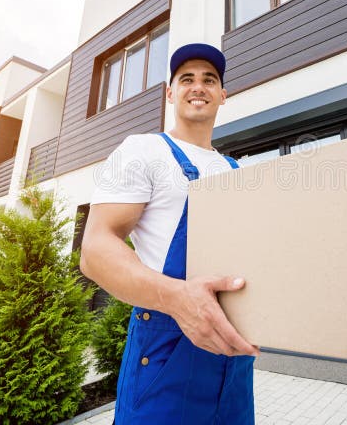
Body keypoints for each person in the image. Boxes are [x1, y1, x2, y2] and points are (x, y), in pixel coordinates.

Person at [80, 43, 259, 425]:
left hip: (234, 359)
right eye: (187, 79)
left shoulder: (237, 171)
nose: (199, 86)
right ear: (170, 92)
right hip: (167, 349)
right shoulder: (143, 151)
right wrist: (180, 300)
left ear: (223, 95)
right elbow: (95, 249)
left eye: (209, 80)